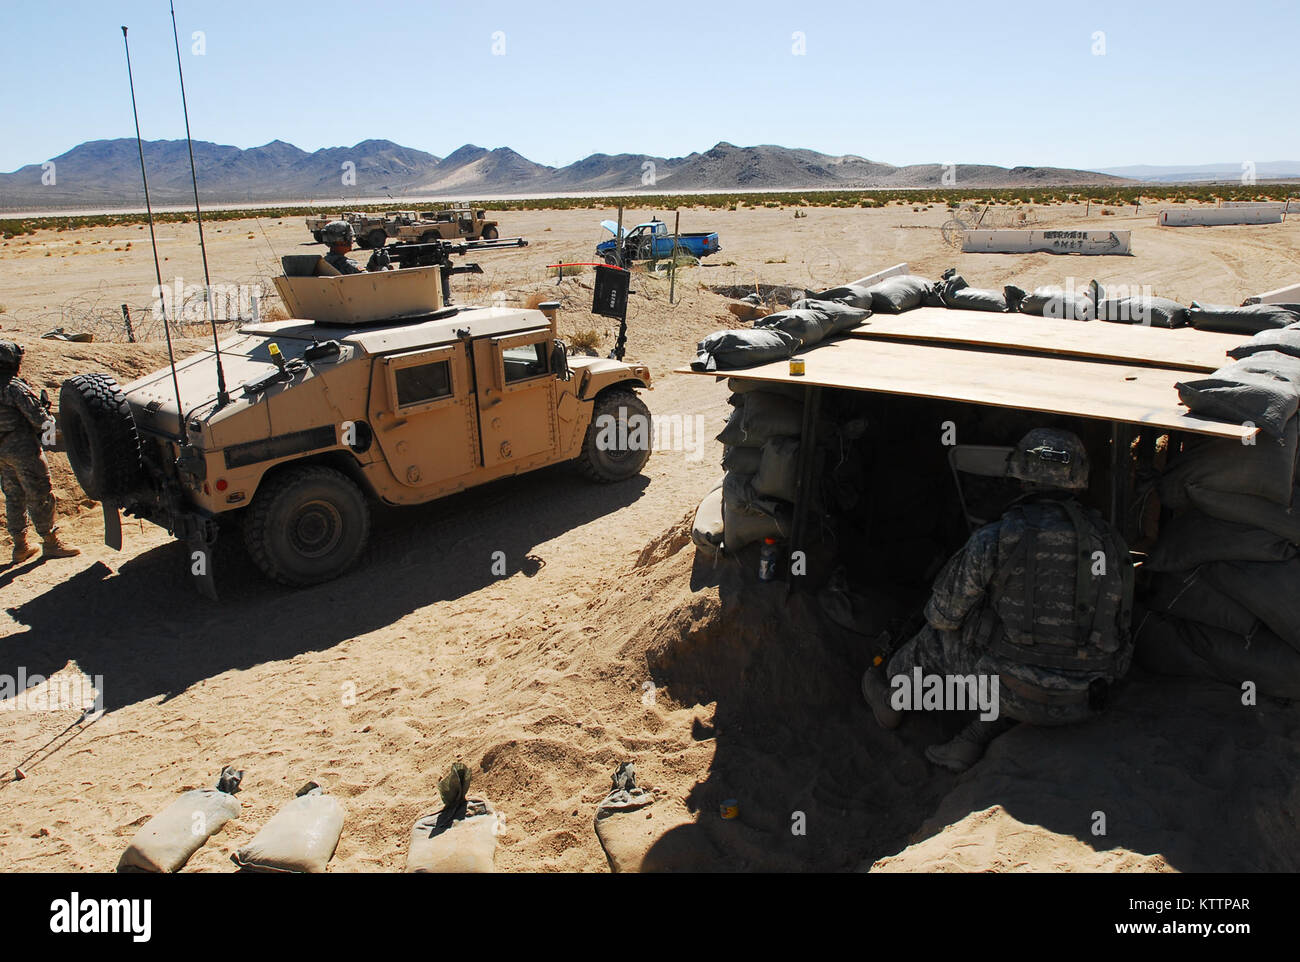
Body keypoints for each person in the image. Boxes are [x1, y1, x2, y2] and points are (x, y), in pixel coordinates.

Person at [862, 428, 1134, 773]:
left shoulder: (996, 537)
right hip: (1087, 699)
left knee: (937, 640)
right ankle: (971, 739)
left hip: (1014, 692)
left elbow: (943, 616)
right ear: (1078, 478)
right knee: (1028, 659)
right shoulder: (1111, 542)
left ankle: (889, 702)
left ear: (1020, 475)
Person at [0, 341, 80, 565]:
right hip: (23, 450)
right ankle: (51, 542)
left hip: (2, 453)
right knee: (40, 495)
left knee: (14, 496)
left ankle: (20, 547)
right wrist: (49, 432)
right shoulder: (14, 387)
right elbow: (41, 421)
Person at [321, 221, 391, 275]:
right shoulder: (348, 265)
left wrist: (370, 267)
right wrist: (383, 267)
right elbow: (370, 280)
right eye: (349, 237)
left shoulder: (324, 263)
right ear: (341, 241)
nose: (352, 241)